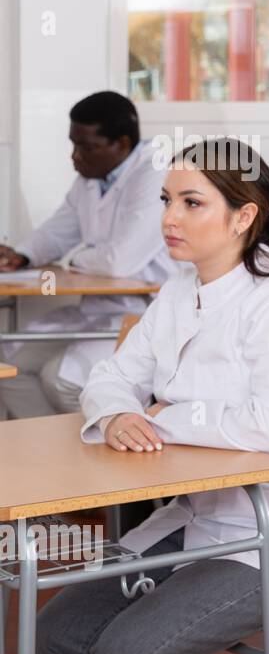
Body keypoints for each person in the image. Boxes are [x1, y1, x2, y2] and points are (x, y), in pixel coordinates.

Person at [36, 138, 269, 654]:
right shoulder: (180, 288)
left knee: (125, 653)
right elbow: (111, 375)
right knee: (55, 630)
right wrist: (116, 415)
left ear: (243, 216)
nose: (169, 218)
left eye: (191, 202)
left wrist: (165, 419)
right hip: (195, 518)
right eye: (165, 200)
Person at [0, 91, 178, 418]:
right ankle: (49, 457)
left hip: (144, 316)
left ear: (122, 145)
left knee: (60, 379)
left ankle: (95, 451)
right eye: (73, 144)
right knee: (9, 366)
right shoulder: (91, 178)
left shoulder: (158, 174)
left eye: (86, 147)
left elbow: (119, 261)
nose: (75, 156)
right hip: (97, 311)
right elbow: (60, 229)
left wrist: (74, 259)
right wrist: (22, 255)